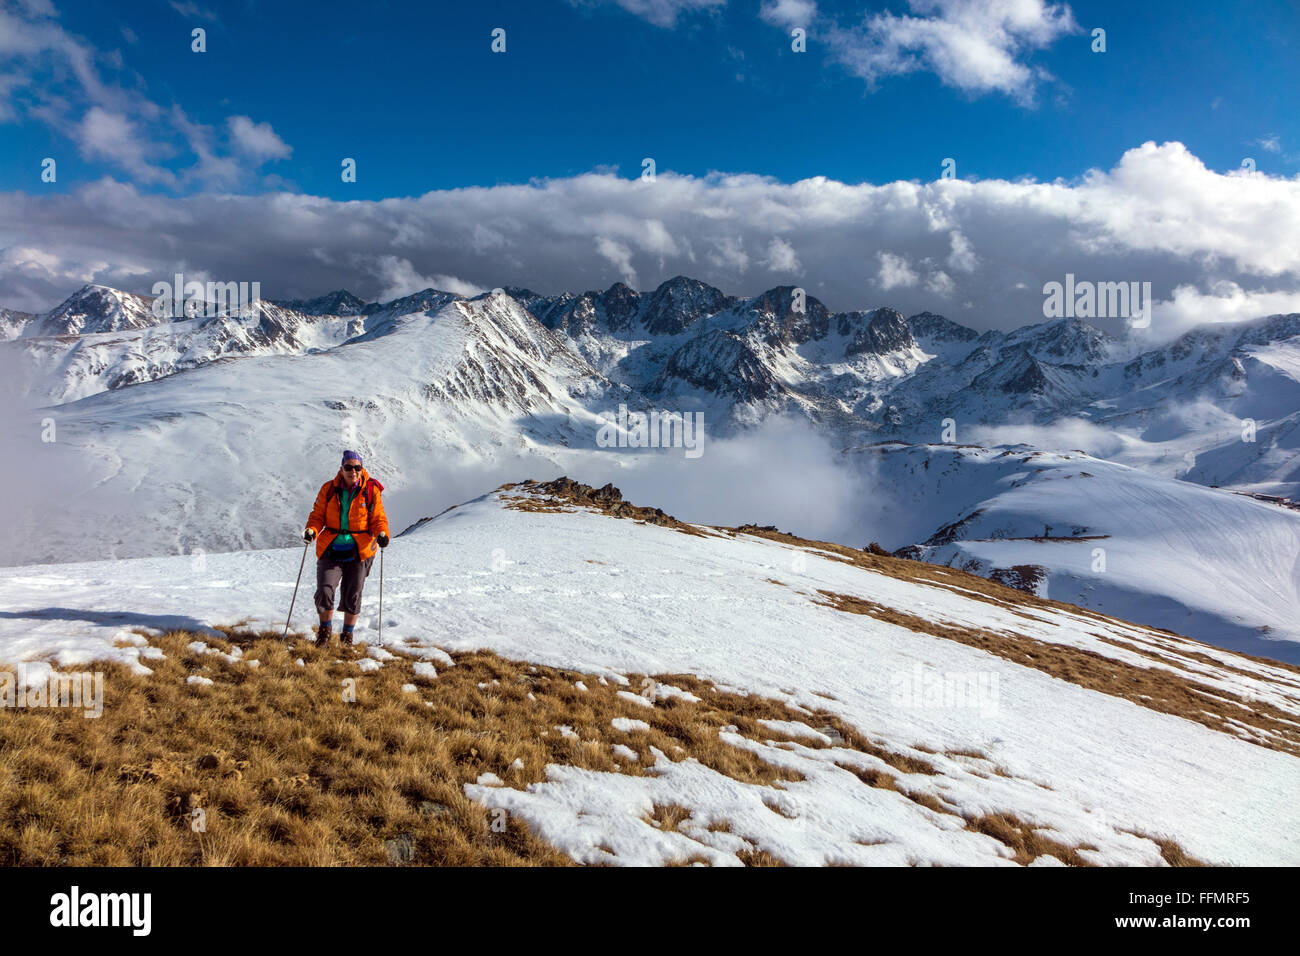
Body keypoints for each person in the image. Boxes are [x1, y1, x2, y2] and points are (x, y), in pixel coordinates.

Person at [303, 450, 390, 646]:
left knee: (353, 593)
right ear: (341, 469)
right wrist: (311, 531)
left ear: (362, 469)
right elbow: (317, 516)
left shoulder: (370, 490)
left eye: (357, 467)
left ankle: (347, 636)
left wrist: (382, 533)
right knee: (325, 590)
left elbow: (378, 518)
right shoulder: (329, 489)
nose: (353, 471)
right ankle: (324, 632)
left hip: (360, 549)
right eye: (349, 467)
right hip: (331, 547)